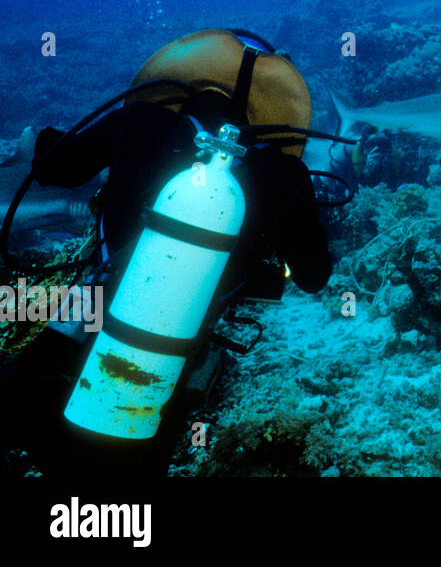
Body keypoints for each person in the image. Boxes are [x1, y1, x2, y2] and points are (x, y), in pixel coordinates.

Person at [0, 29, 332, 476]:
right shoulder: (282, 170)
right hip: (178, 335)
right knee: (134, 449)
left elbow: (59, 166)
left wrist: (33, 142)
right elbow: (314, 276)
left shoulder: (137, 119)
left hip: (89, 304)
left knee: (26, 402)